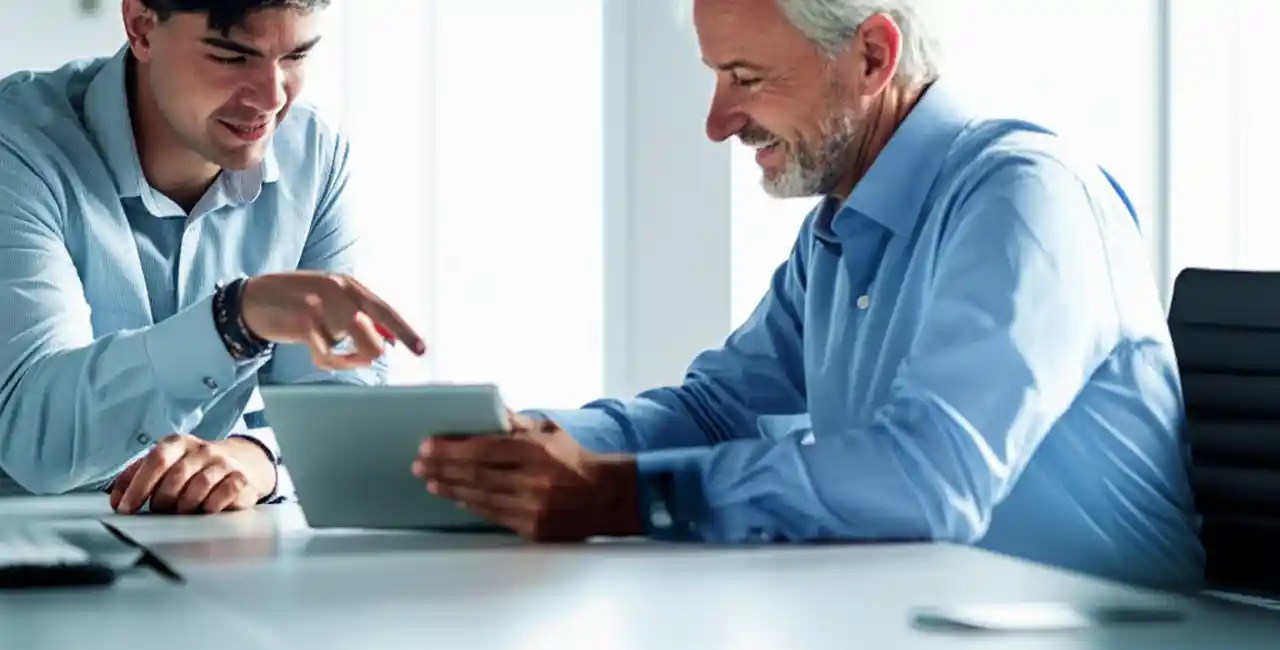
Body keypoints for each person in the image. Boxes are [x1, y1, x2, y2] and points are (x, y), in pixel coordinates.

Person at [413, 0, 1205, 590]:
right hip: (931, 648)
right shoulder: (839, 231)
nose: (718, 123)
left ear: (871, 55)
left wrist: (629, 496)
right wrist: (523, 442)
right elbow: (715, 412)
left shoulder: (1026, 196)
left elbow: (932, 478)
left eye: (744, 78)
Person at [0, 0, 424, 514]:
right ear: (141, 27)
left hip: (206, 545)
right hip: (26, 548)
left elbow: (339, 419)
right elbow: (36, 438)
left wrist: (255, 458)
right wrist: (233, 322)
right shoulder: (17, 146)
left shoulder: (313, 156)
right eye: (232, 57)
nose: (271, 99)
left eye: (295, 56)